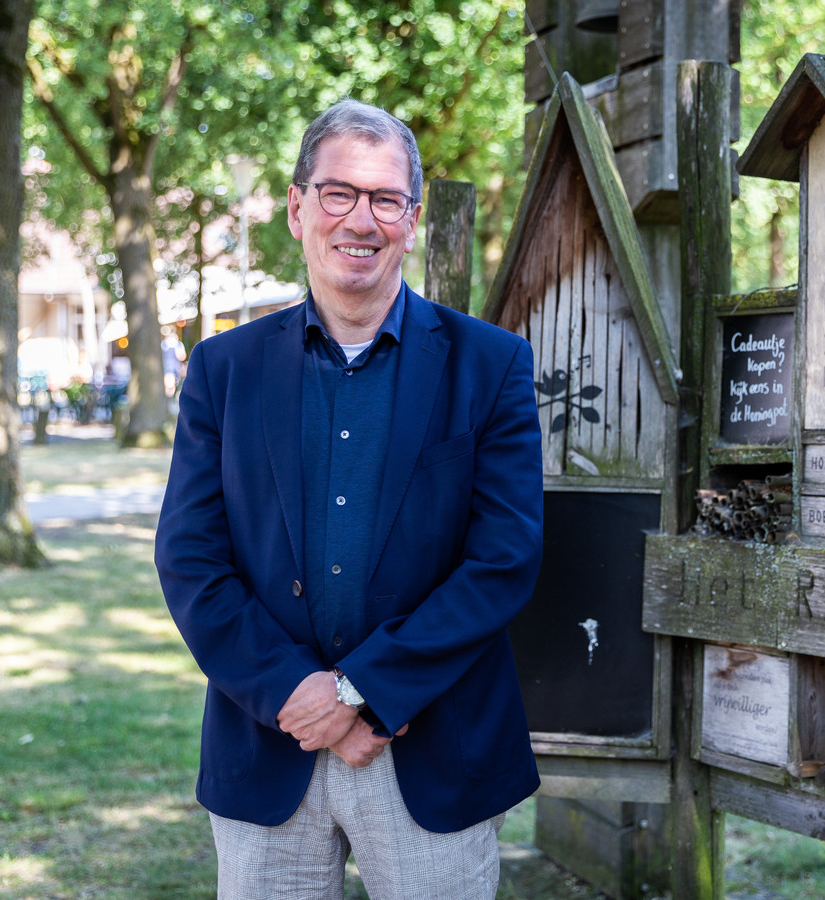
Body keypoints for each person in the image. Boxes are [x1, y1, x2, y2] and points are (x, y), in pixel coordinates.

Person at [155, 98, 544, 899]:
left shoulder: (491, 363)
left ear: (410, 218)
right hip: (271, 744)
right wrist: (293, 692)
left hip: (432, 750)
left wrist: (359, 692)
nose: (359, 220)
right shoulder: (224, 370)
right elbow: (191, 557)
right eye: (338, 193)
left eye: (384, 199)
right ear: (297, 209)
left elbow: (503, 559)